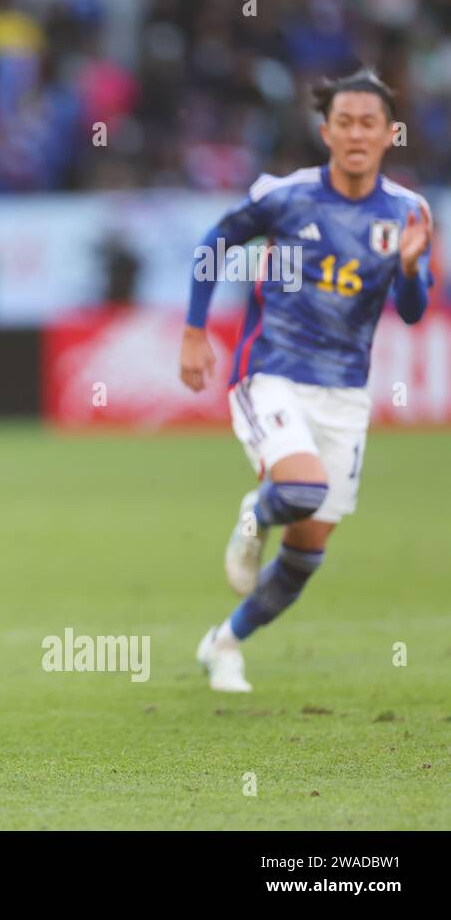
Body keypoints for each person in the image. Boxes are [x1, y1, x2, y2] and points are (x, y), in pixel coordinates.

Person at [180, 69, 434, 692]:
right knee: (299, 489)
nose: (355, 132)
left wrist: (407, 269)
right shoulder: (287, 196)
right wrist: (193, 331)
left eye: (368, 122)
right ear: (326, 130)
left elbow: (412, 309)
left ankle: (224, 643)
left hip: (345, 393)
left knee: (305, 555)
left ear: (388, 133)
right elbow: (218, 240)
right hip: (272, 373)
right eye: (344, 121)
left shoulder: (408, 213)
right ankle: (252, 514)